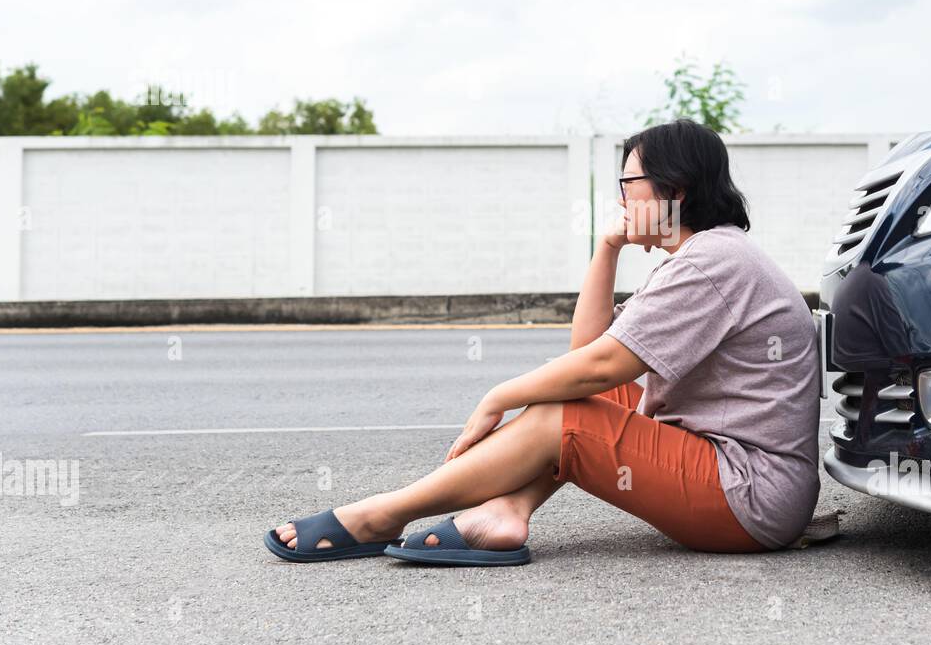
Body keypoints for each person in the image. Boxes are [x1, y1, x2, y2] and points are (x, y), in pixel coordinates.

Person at [264, 118, 821, 564]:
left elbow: (598, 366)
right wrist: (607, 249)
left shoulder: (711, 263)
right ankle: (505, 511)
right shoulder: (707, 257)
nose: (622, 200)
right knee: (578, 402)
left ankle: (380, 514)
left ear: (673, 190)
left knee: (568, 417)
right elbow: (587, 355)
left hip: (750, 494)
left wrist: (496, 396)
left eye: (628, 184)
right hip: (741, 479)